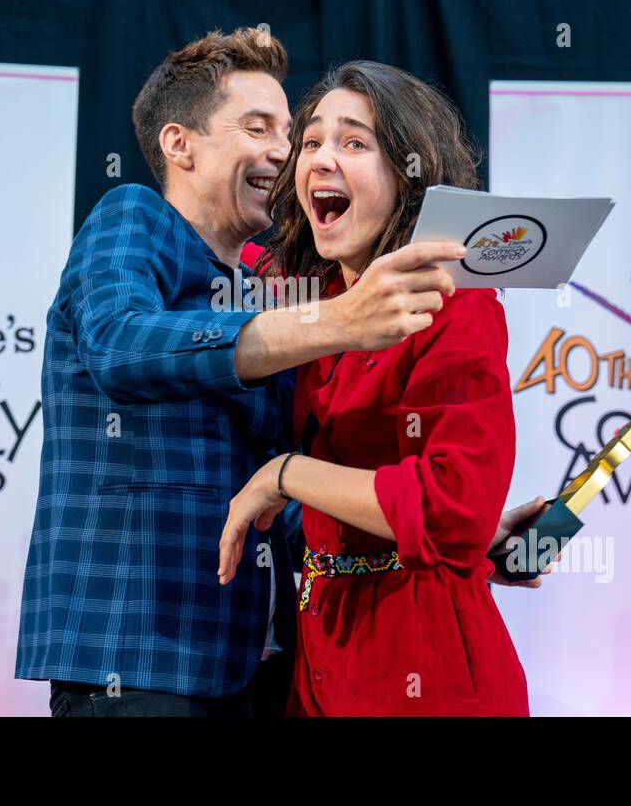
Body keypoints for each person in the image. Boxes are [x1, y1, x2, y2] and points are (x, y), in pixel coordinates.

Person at [15, 28, 481, 717]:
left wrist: (448, 522)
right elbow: (121, 345)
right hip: (140, 663)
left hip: (265, 672)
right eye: (257, 127)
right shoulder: (134, 218)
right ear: (181, 144)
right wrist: (339, 323)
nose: (284, 151)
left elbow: (279, 499)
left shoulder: (271, 290)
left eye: (287, 132)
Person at [219, 60, 534, 716]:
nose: (320, 160)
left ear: (408, 174)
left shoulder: (455, 300)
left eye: (353, 142)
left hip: (424, 663)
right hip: (322, 656)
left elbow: (451, 508)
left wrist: (285, 474)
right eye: (310, 143)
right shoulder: (313, 300)